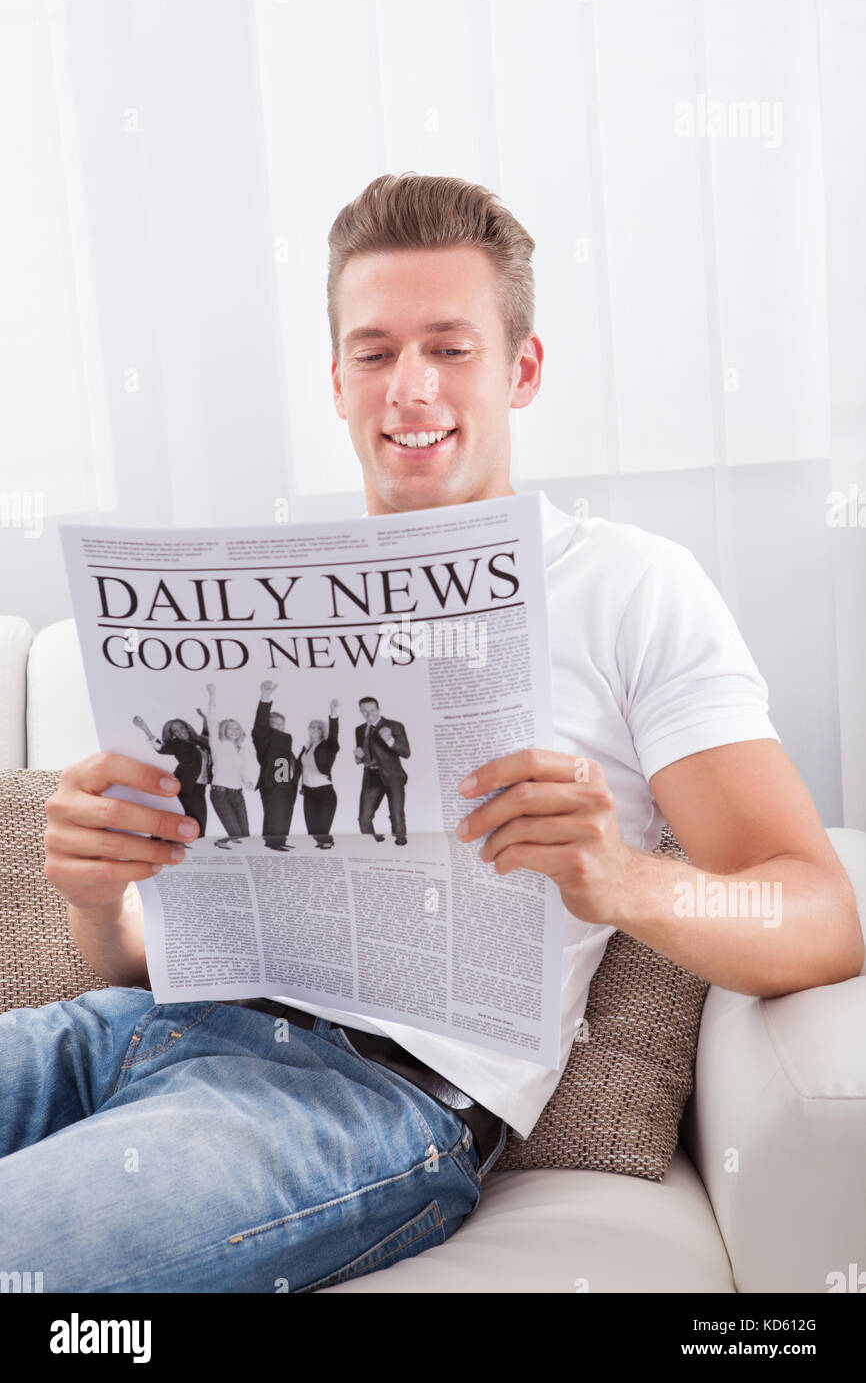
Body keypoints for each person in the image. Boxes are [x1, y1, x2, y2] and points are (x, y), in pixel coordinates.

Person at [9, 173, 861, 1294]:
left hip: (361, 1102)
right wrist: (92, 892)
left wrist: (618, 883)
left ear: (522, 367)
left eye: (449, 348)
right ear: (336, 381)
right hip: (128, 1025)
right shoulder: (266, 602)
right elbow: (133, 954)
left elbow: (816, 912)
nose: (409, 389)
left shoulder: (630, 588)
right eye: (373, 353)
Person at [203, 682, 258, 850]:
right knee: (237, 836)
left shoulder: (241, 749)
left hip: (237, 794)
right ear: (224, 730)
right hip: (221, 794)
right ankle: (224, 844)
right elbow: (212, 720)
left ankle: (222, 843)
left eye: (237, 728)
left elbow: (239, 771)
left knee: (245, 836)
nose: (234, 731)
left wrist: (247, 781)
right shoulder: (217, 744)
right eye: (230, 728)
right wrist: (212, 695)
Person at [353, 696, 410, 843]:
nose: (369, 714)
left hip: (392, 776)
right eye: (364, 711)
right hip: (370, 777)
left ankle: (401, 846)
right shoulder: (359, 730)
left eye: (372, 710)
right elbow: (365, 753)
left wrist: (389, 740)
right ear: (360, 711)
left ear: (378, 709)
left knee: (396, 815)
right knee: (364, 818)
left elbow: (405, 752)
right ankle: (374, 844)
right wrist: (359, 758)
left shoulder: (394, 726)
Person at [251, 680, 299, 851]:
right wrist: (265, 697)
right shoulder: (265, 737)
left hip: (287, 785)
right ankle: (273, 842)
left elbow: (292, 764)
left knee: (285, 813)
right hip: (273, 784)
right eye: (275, 724)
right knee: (275, 813)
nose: (279, 727)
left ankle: (280, 840)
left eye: (281, 724)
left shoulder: (284, 743)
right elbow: (260, 724)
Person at [297, 699, 340, 847]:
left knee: (322, 830)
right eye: (312, 727)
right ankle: (324, 843)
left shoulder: (328, 746)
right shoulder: (306, 748)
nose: (315, 730)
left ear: (323, 731)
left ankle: (328, 844)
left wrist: (333, 713)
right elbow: (301, 768)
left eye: (319, 728)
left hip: (325, 793)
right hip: (309, 793)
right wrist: (301, 785)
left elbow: (334, 735)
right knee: (312, 830)